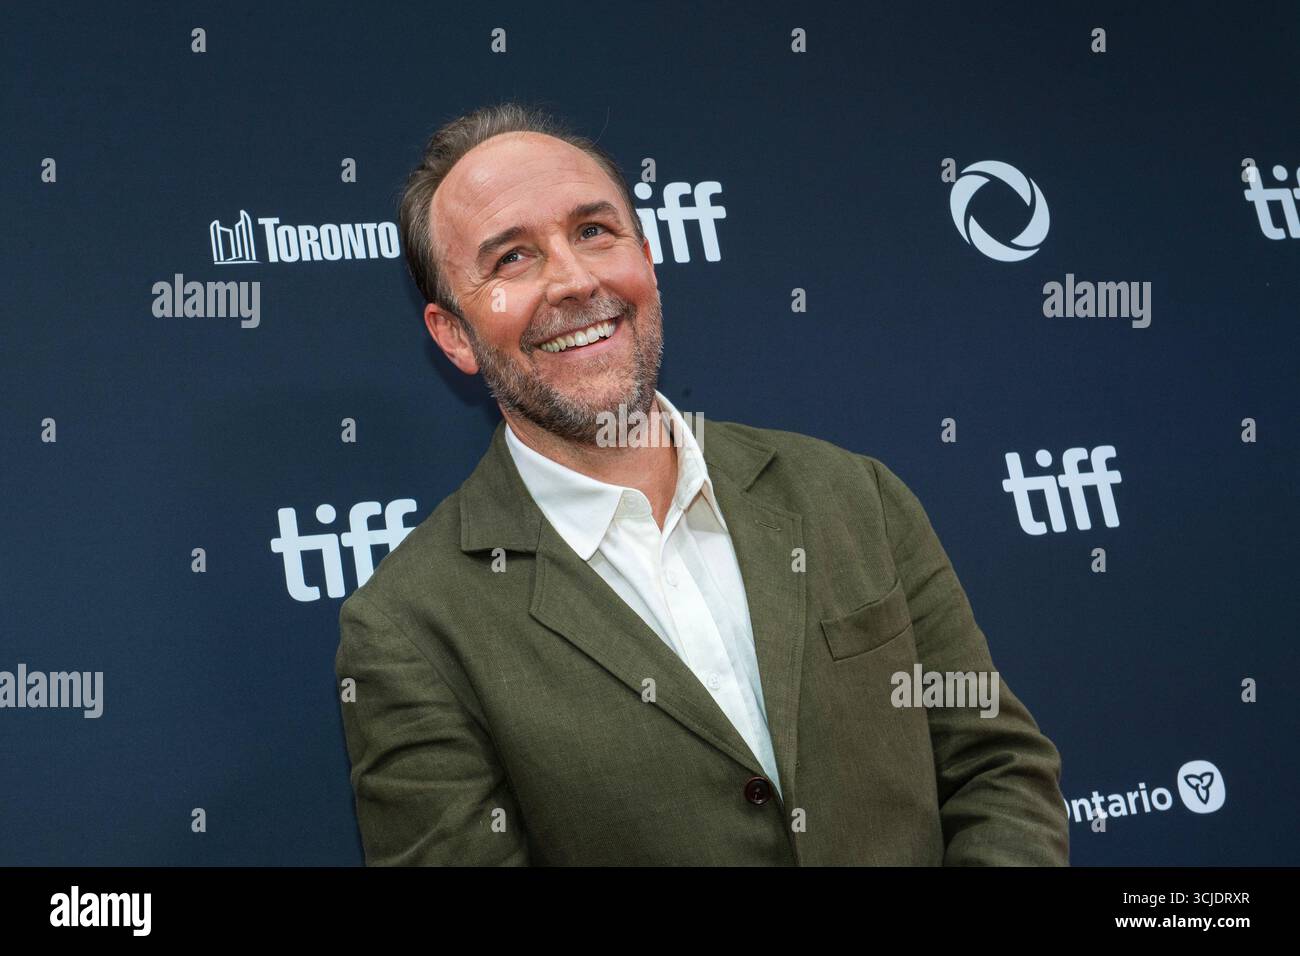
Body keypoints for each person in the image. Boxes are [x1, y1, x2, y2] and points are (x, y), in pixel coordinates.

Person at [334, 101, 1070, 865]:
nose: (574, 280)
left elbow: (998, 771)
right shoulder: (406, 631)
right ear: (454, 332)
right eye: (512, 258)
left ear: (647, 257)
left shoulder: (854, 495)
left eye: (593, 231)